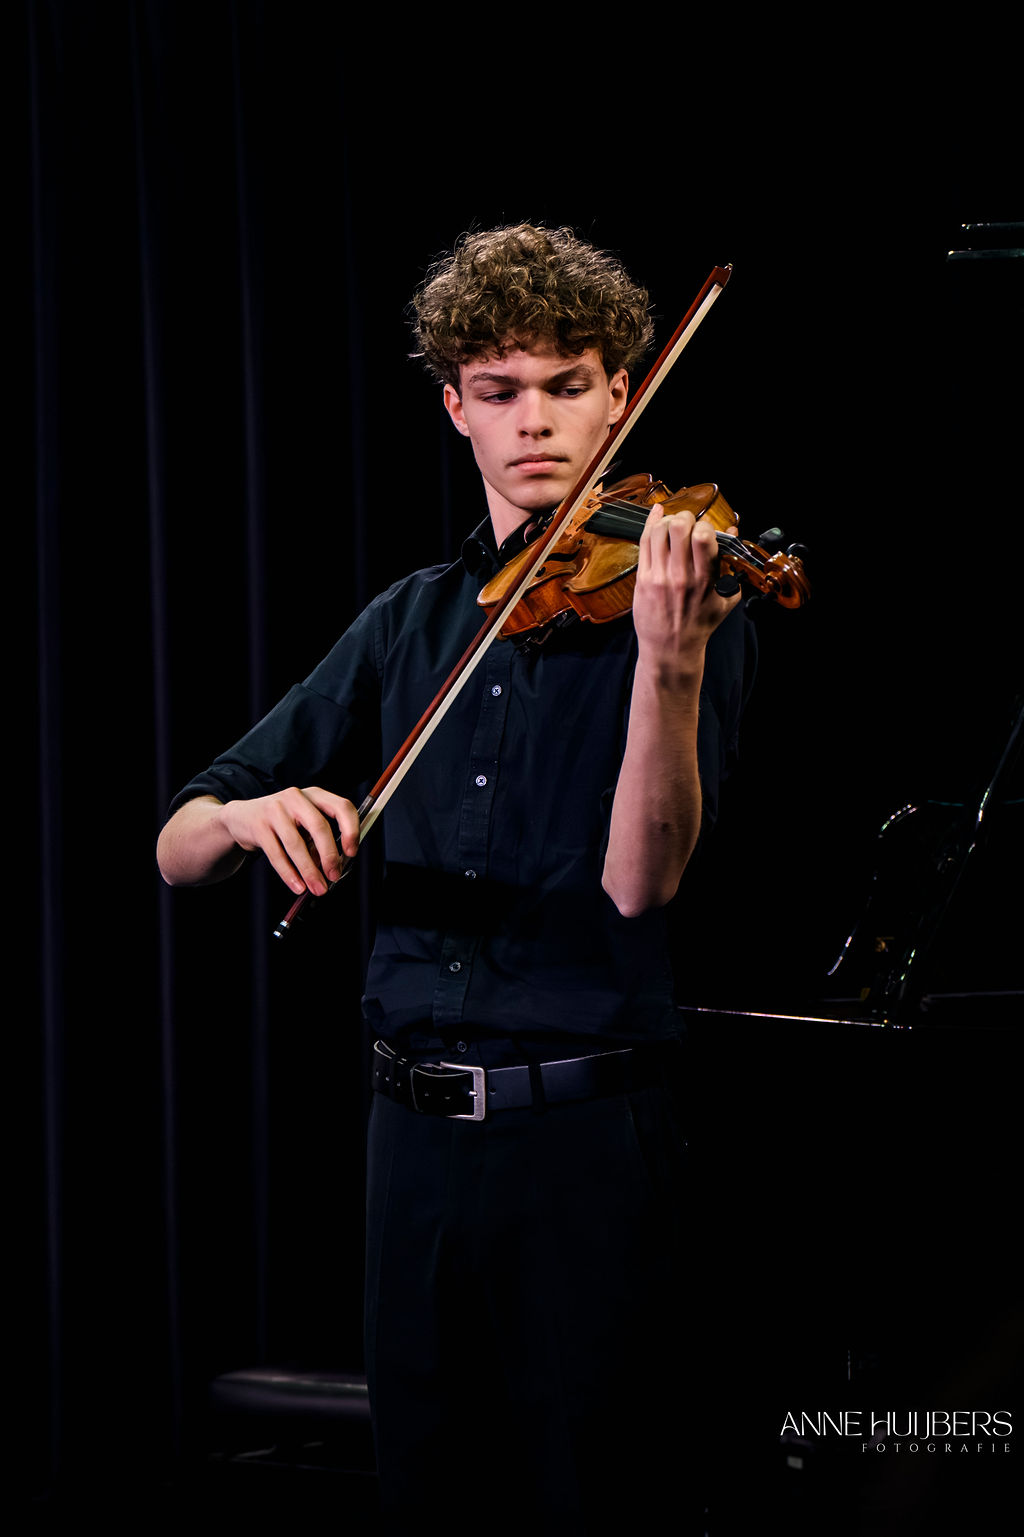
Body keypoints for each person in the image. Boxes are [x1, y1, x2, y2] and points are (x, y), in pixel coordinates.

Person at [158, 223, 756, 1533]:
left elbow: (639, 885)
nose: (534, 420)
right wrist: (254, 811)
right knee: (431, 1499)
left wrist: (669, 668)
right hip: (412, 1147)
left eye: (567, 385)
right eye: (500, 389)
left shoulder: (678, 605)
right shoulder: (411, 619)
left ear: (620, 394)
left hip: (588, 1142)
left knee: (595, 1502)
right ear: (456, 408)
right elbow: (179, 843)